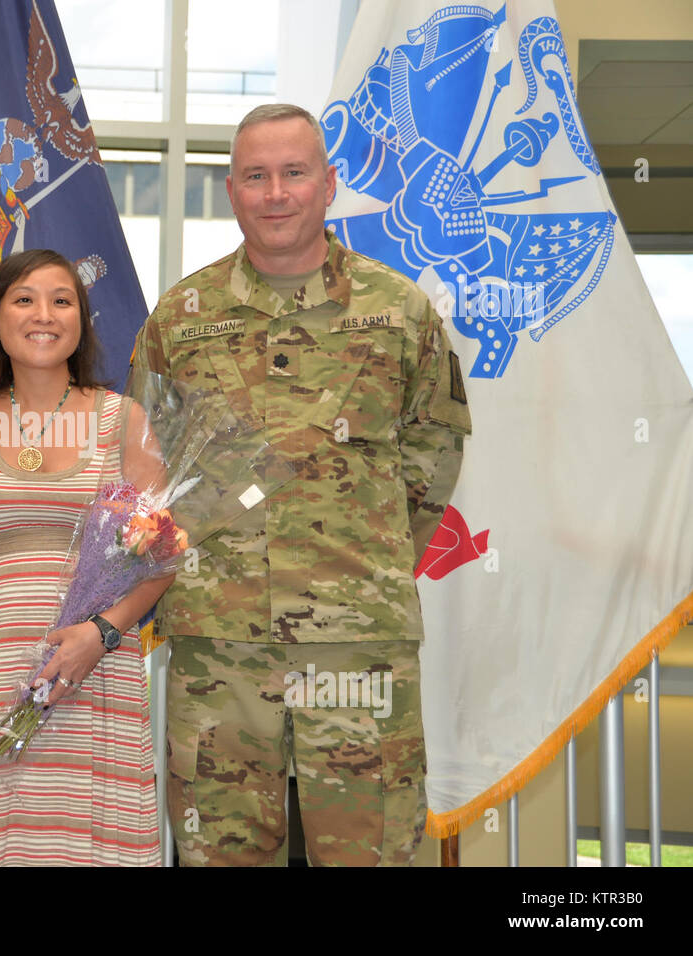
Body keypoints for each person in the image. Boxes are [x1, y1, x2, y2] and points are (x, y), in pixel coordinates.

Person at [132, 104, 473, 866]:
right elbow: (146, 463)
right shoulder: (180, 320)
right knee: (218, 852)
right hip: (219, 642)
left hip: (357, 641)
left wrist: (364, 555)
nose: (275, 192)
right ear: (231, 190)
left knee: (368, 852)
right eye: (256, 176)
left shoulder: (399, 310)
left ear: (329, 184)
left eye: (294, 173)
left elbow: (434, 449)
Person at [0, 248, 171, 866]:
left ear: (82, 321)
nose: (44, 314)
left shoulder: (124, 419)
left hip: (96, 675)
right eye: (24, 299)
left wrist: (102, 635)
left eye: (62, 300)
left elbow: (162, 557)